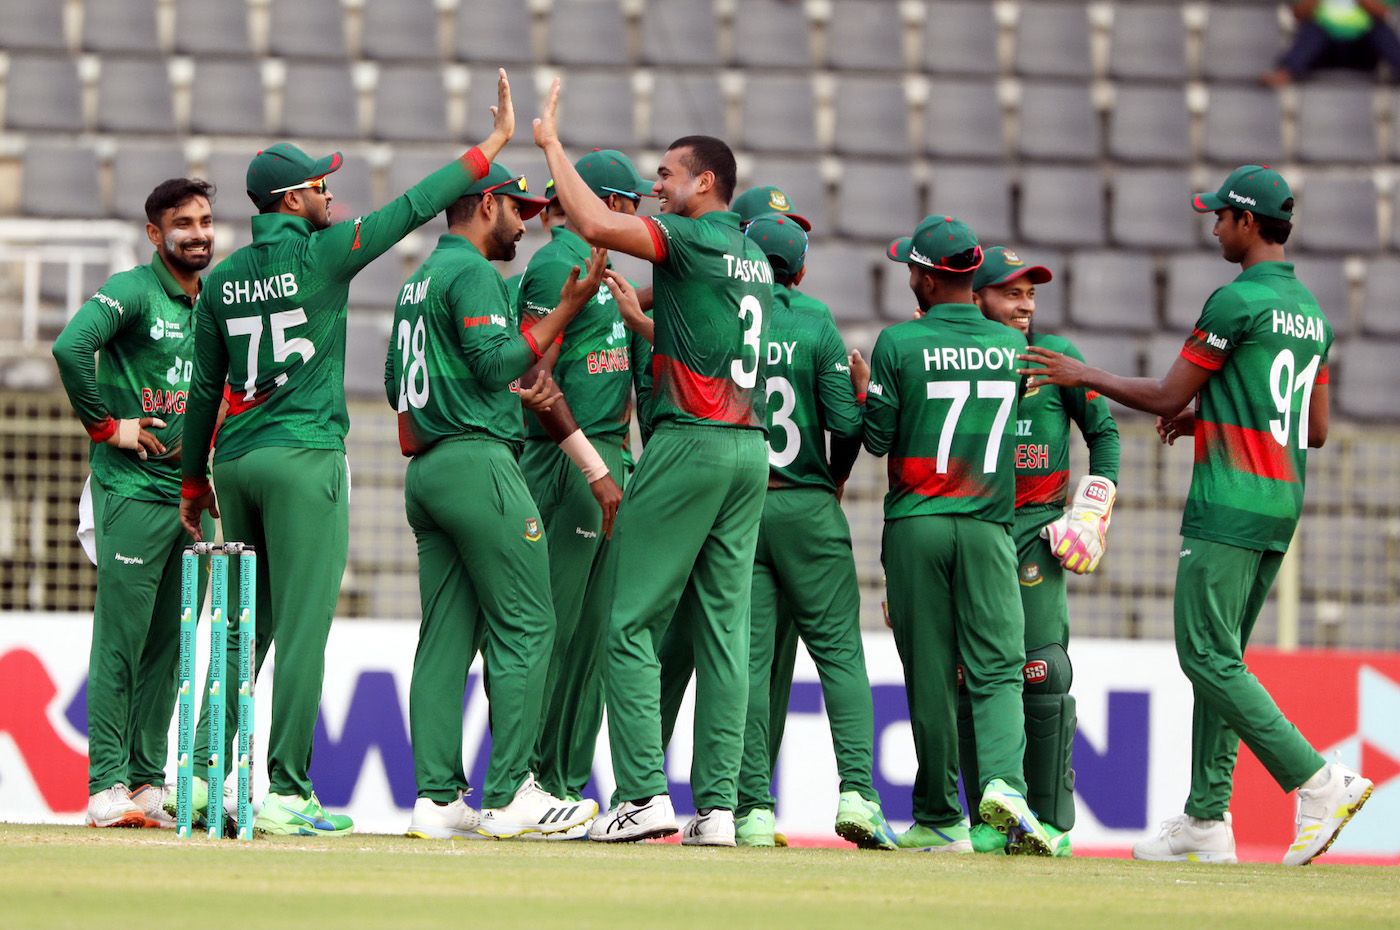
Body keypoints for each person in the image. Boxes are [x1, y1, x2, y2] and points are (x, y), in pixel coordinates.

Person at [178, 70, 519, 837]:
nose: (332, 196)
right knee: (300, 627)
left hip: (234, 461)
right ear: (293, 201)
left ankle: (200, 778)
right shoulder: (327, 254)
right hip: (303, 460)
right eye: (321, 187)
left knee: (246, 627)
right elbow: (414, 207)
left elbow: (204, 391)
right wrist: (490, 147)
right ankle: (287, 790)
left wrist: (191, 484)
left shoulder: (223, 277)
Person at [1021, 165, 1373, 865]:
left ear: (1246, 223)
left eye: (1220, 217)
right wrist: (1211, 414)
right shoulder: (1312, 314)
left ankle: (1317, 780)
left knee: (1202, 655)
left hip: (1229, 501)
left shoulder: (1235, 302)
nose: (1213, 226)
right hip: (1281, 503)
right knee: (1223, 658)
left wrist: (1081, 374)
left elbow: (1158, 392)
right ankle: (1208, 820)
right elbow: (1316, 427)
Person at [534, 79, 773, 846]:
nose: (657, 187)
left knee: (629, 622)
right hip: (747, 450)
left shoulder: (695, 237)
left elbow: (595, 218)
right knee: (725, 632)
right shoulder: (752, 257)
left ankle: (641, 796)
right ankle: (721, 810)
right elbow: (706, 331)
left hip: (691, 445)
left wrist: (549, 145)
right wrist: (647, 324)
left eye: (667, 176)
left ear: (705, 181)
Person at [388, 160, 616, 841]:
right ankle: (514, 791)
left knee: (445, 638)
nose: (526, 221)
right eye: (518, 207)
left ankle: (434, 800)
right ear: (488, 205)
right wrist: (567, 312)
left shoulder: (414, 282)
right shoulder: (474, 273)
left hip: (425, 469)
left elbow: (398, 383)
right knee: (529, 623)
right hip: (476, 460)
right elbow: (496, 364)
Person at [863, 214, 1054, 856]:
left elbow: (877, 440)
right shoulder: (1010, 347)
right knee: (999, 666)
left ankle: (941, 816)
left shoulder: (897, 342)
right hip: (988, 525)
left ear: (923, 275)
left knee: (930, 673)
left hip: (916, 522)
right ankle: (1004, 785)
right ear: (973, 278)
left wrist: (869, 393)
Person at [52, 179, 217, 829]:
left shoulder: (214, 303)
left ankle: (147, 779)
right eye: (184, 223)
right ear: (156, 234)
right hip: (131, 491)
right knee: (121, 643)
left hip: (188, 497)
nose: (199, 232)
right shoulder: (132, 290)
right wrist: (106, 426)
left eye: (206, 219)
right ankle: (104, 786)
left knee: (169, 646)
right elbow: (70, 347)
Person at [730, 214, 897, 849]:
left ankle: (751, 809)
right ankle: (857, 790)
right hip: (807, 504)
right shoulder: (816, 322)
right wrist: (831, 478)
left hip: (742, 505)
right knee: (839, 655)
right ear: (799, 270)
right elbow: (850, 422)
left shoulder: (724, 312)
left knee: (745, 662)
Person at [961, 246, 1120, 857]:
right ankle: (990, 818)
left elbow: (1103, 435)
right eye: (1010, 293)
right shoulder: (963, 359)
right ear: (976, 298)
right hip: (974, 524)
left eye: (1030, 294)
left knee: (1042, 670)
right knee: (970, 676)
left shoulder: (1059, 359)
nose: (1024, 304)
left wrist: (1091, 509)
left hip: (1037, 531)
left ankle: (1051, 823)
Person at [516, 149, 654, 813]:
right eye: (628, 206)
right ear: (607, 205)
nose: (630, 221)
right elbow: (533, 381)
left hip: (605, 461)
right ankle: (532, 780)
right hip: (567, 462)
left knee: (595, 636)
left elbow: (608, 311)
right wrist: (592, 468)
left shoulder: (598, 269)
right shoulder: (553, 263)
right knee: (557, 629)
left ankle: (566, 782)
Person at [1262, 1, 1400, 87]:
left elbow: (1383, 13)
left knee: (1380, 30)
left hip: (1361, 51)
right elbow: (1298, 14)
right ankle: (1286, 71)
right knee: (1312, 29)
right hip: (1323, 51)